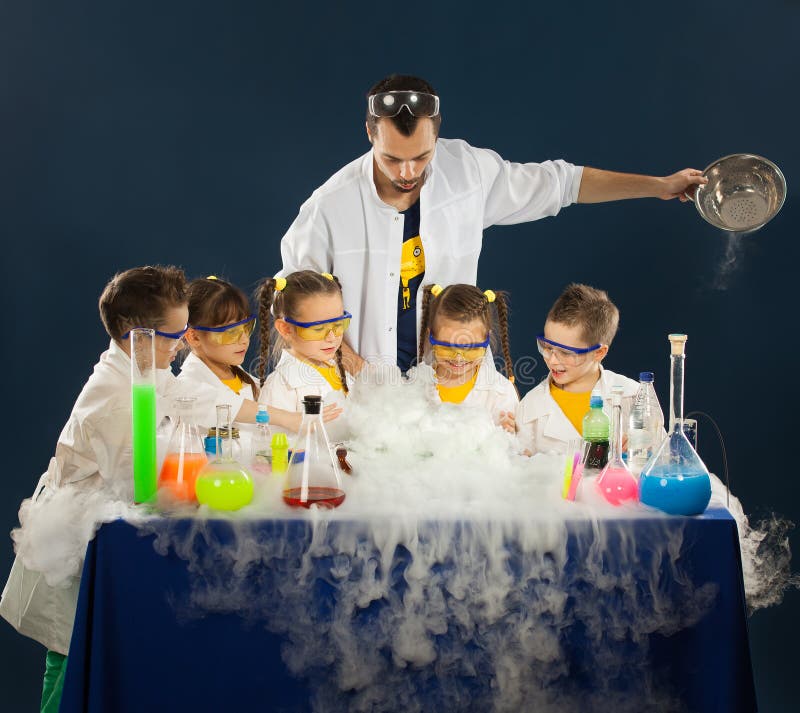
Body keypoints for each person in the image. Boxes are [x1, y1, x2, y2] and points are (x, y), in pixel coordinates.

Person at [278, 74, 708, 374]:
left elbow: (561, 183)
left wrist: (659, 186)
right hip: (356, 391)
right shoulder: (328, 206)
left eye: (421, 156)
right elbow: (292, 308)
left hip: (453, 381)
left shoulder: (468, 171)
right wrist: (360, 375)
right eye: (392, 159)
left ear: (437, 135)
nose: (408, 172)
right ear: (370, 133)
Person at [0, 265, 217, 713]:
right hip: (71, 544)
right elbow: (140, 485)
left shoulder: (143, 367)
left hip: (98, 536)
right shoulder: (114, 395)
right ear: (137, 336)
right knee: (68, 664)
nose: (181, 345)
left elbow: (187, 407)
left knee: (83, 658)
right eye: (174, 336)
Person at [516, 283, 650, 455]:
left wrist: (645, 445)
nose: (552, 360)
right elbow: (518, 468)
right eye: (547, 347)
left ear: (599, 352)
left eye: (566, 352)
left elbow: (664, 458)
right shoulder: (529, 408)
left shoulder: (634, 397)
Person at [257, 270, 352, 437]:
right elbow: (271, 446)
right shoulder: (279, 388)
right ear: (286, 329)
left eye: (338, 324)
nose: (332, 337)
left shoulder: (339, 371)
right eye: (318, 329)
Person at [415, 283, 518, 431]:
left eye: (470, 348)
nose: (458, 358)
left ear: (486, 338)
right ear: (431, 336)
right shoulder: (416, 385)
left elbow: (515, 443)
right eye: (447, 346)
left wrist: (508, 434)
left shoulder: (500, 393)